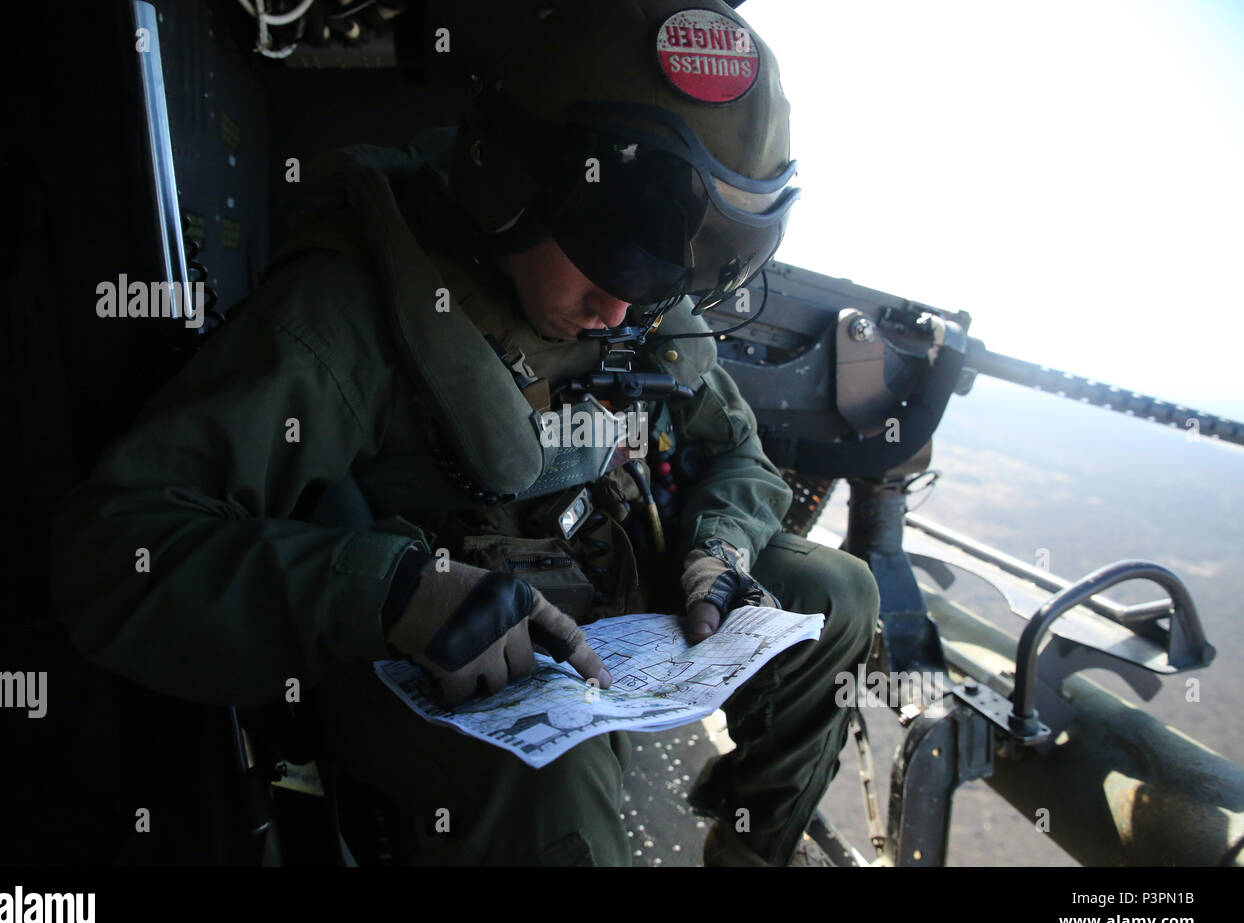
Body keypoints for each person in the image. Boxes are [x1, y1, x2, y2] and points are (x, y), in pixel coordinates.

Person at [50, 0, 879, 866]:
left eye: (670, 268)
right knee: (550, 778)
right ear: (514, 184)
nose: (622, 310)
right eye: (615, 255)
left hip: (606, 594)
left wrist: (721, 549)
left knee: (837, 596)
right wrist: (394, 593)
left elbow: (738, 454)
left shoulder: (643, 302)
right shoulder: (349, 311)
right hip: (424, 645)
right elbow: (114, 554)